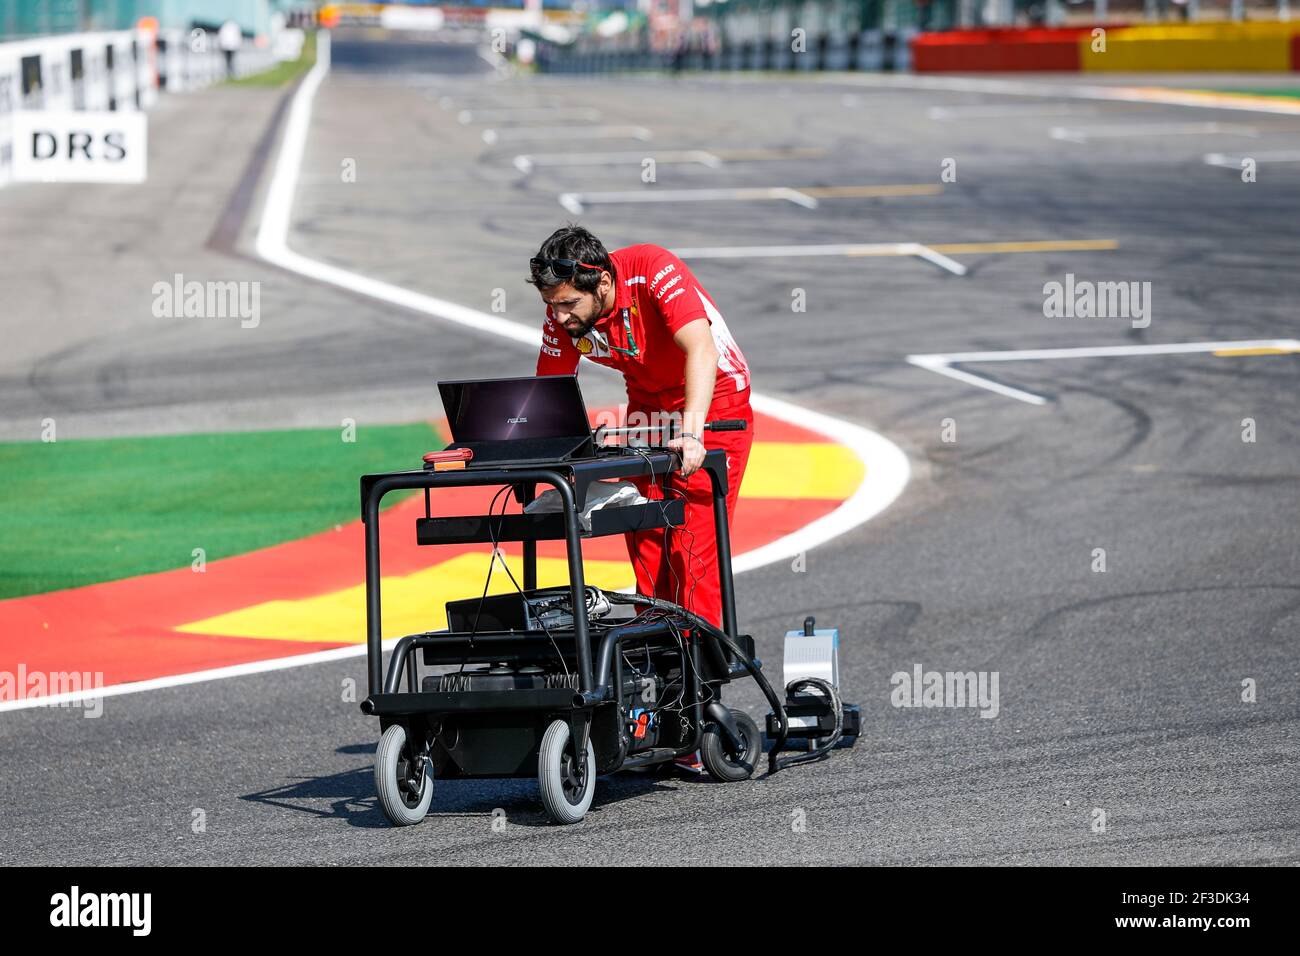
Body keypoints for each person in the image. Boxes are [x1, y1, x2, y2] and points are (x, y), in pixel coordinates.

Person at [529, 225, 754, 770]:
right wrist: (530, 457)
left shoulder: (652, 268)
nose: (558, 317)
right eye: (550, 306)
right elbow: (548, 385)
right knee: (647, 542)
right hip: (649, 407)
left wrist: (694, 431)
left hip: (712, 402)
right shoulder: (567, 309)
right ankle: (655, 698)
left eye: (566, 304)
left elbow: (698, 346)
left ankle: (701, 705)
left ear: (602, 281)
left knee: (692, 553)